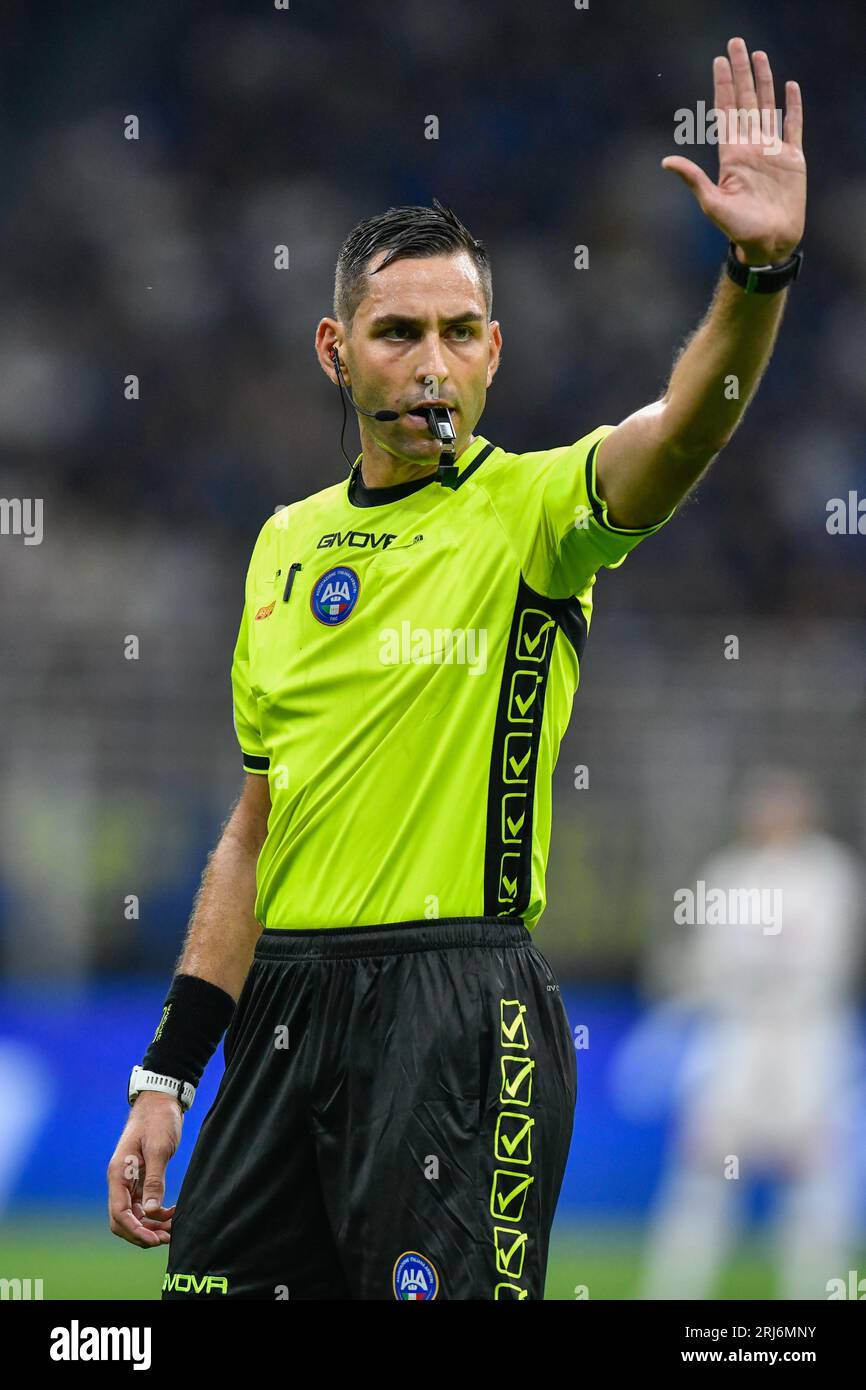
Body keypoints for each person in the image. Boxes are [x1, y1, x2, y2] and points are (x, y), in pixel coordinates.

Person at [107, 37, 807, 1299]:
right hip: (281, 1012)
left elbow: (683, 430)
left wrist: (756, 273)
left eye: (458, 330)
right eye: (397, 332)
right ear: (334, 348)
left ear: (495, 351)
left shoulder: (537, 515)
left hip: (457, 1008)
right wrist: (168, 1071)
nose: (430, 361)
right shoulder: (283, 545)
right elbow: (252, 831)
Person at [639, 769, 864, 1301]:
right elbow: (710, 963)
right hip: (738, 1037)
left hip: (809, 1038)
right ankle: (673, 1292)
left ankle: (817, 1295)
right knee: (704, 1169)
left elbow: (831, 960)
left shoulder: (829, 871)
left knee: (815, 1175)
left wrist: (772, 972)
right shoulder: (730, 874)